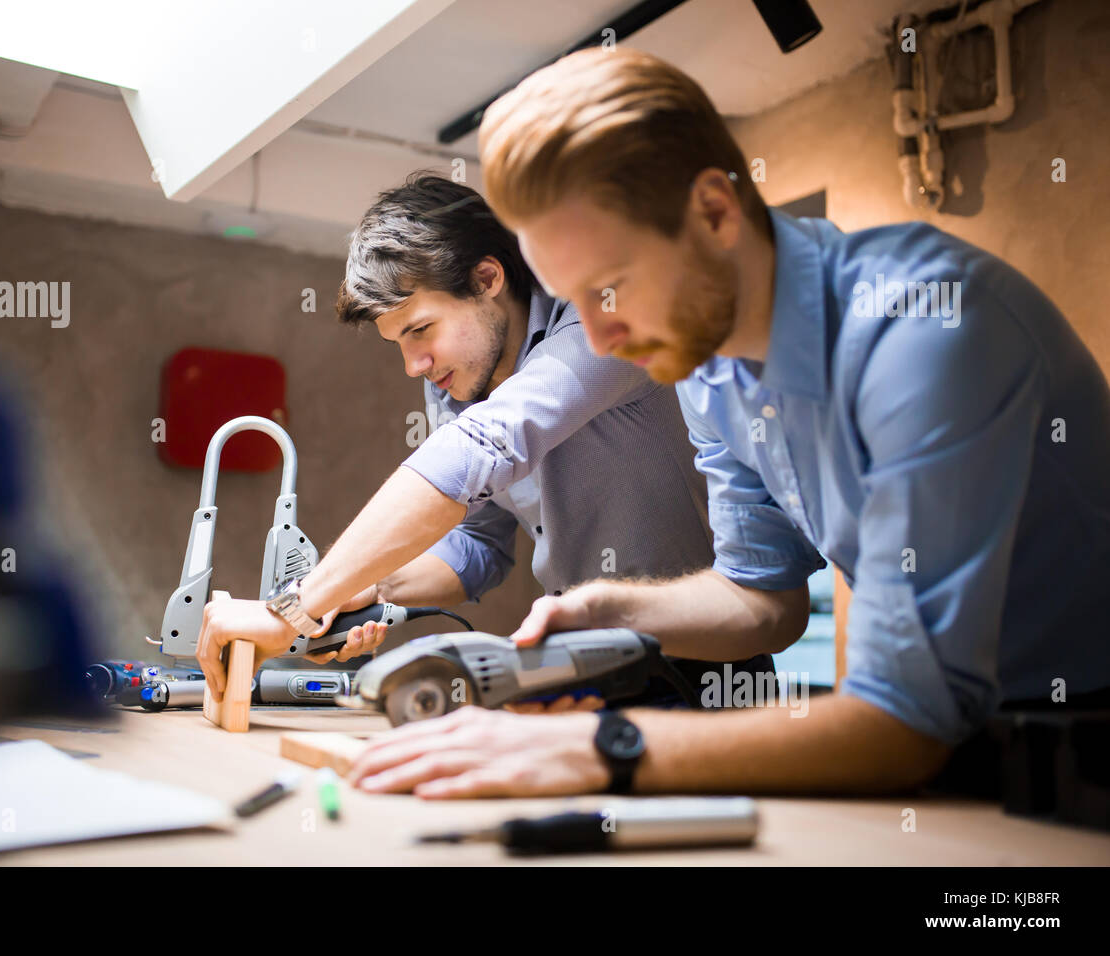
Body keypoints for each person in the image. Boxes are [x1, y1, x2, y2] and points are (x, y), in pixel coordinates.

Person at [344, 48, 1110, 799]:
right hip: (956, 753)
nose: (602, 340)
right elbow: (762, 603)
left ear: (714, 211)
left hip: (1076, 738)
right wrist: (617, 609)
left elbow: (903, 721)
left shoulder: (922, 332)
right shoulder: (712, 375)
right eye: (572, 298)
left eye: (609, 288)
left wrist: (594, 746)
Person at [195, 174, 723, 702]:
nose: (412, 366)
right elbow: (477, 546)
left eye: (420, 330)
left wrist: (295, 607)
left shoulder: (604, 330)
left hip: (701, 664)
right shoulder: (457, 386)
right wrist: (371, 587)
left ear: (486, 278)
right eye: (397, 343)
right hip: (583, 668)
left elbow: (479, 449)